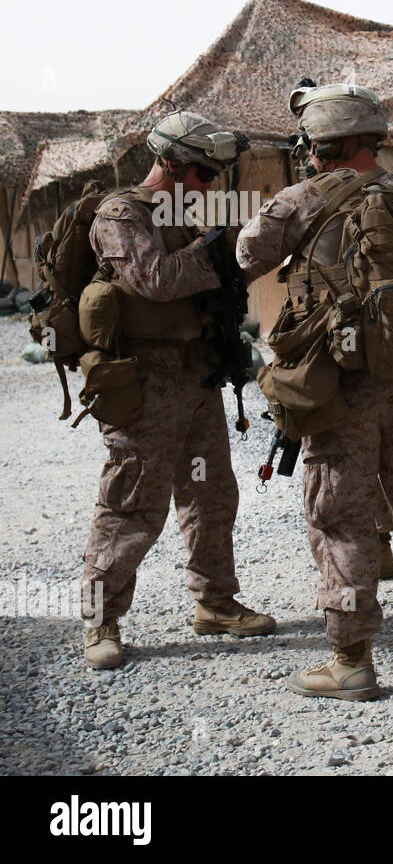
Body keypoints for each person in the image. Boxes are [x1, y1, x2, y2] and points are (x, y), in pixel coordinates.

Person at [237, 82, 393, 699]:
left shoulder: (301, 199)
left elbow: (247, 254)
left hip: (342, 388)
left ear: (323, 142)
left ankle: (350, 658)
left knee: (343, 520)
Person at [81, 110, 275, 670]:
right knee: (131, 505)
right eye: (201, 173)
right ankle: (101, 621)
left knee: (211, 496)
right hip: (145, 382)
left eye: (213, 176)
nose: (209, 185)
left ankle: (215, 602)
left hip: (197, 377)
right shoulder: (121, 214)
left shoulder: (187, 215)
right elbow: (154, 280)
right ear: (168, 162)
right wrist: (216, 255)